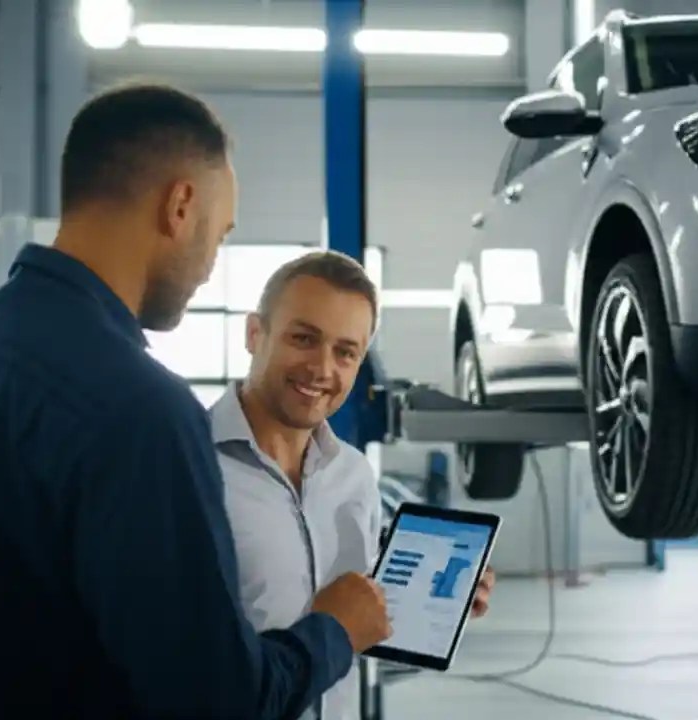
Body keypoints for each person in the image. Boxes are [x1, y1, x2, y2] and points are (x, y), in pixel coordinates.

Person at [0, 82, 391, 720]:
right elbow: (217, 700)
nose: (209, 265)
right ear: (181, 206)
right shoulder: (144, 409)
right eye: (219, 235)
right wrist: (334, 631)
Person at [209, 251, 496, 720]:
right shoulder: (191, 469)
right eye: (304, 339)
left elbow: (357, 637)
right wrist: (334, 627)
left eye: (346, 352)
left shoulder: (354, 476)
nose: (323, 369)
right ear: (254, 334)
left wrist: (435, 604)